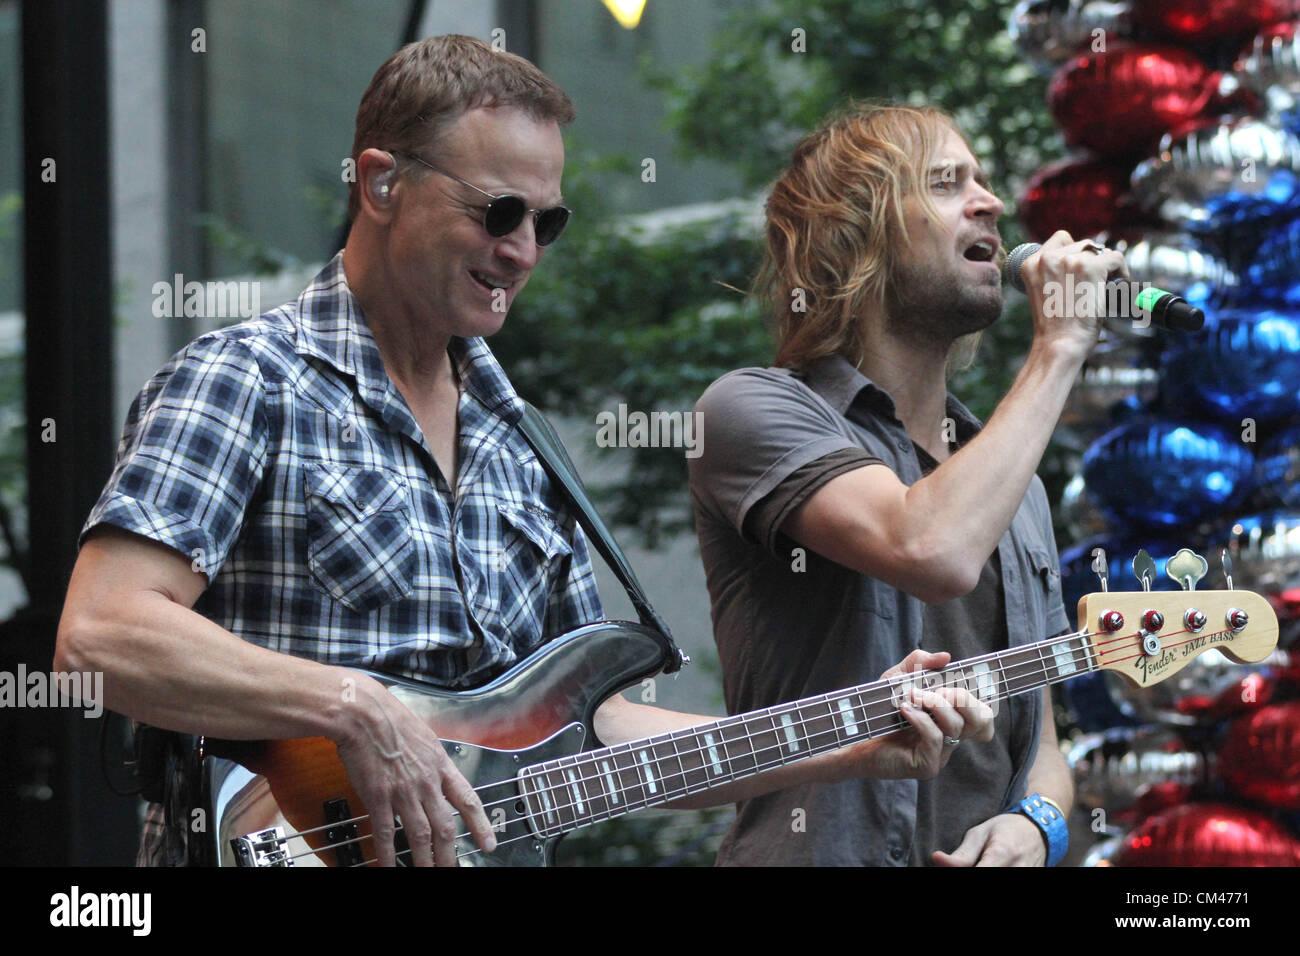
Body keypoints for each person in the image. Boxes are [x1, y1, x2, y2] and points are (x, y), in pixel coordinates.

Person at [55, 40, 992, 868]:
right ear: (380, 184)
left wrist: (844, 740)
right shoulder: (247, 378)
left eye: (548, 222)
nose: (522, 250)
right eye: (499, 211)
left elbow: (587, 739)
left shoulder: (520, 442)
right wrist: (350, 705)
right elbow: (99, 637)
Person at [689, 102, 1121, 866]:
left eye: (984, 182)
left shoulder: (1012, 488)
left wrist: (1038, 827)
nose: (990, 201)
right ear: (858, 232)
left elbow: (1044, 744)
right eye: (948, 183)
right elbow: (928, 548)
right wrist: (1059, 348)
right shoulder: (749, 409)